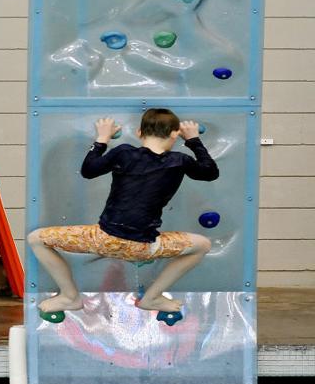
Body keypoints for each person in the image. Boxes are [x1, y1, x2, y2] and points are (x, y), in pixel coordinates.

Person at [27, 108, 218, 315]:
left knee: (36, 238)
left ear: (139, 133)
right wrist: (193, 140)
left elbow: (88, 170)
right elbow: (210, 172)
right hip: (145, 247)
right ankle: (153, 297)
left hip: (102, 240)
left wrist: (102, 138)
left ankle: (69, 296)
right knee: (203, 245)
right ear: (175, 133)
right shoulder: (180, 161)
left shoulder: (124, 153)